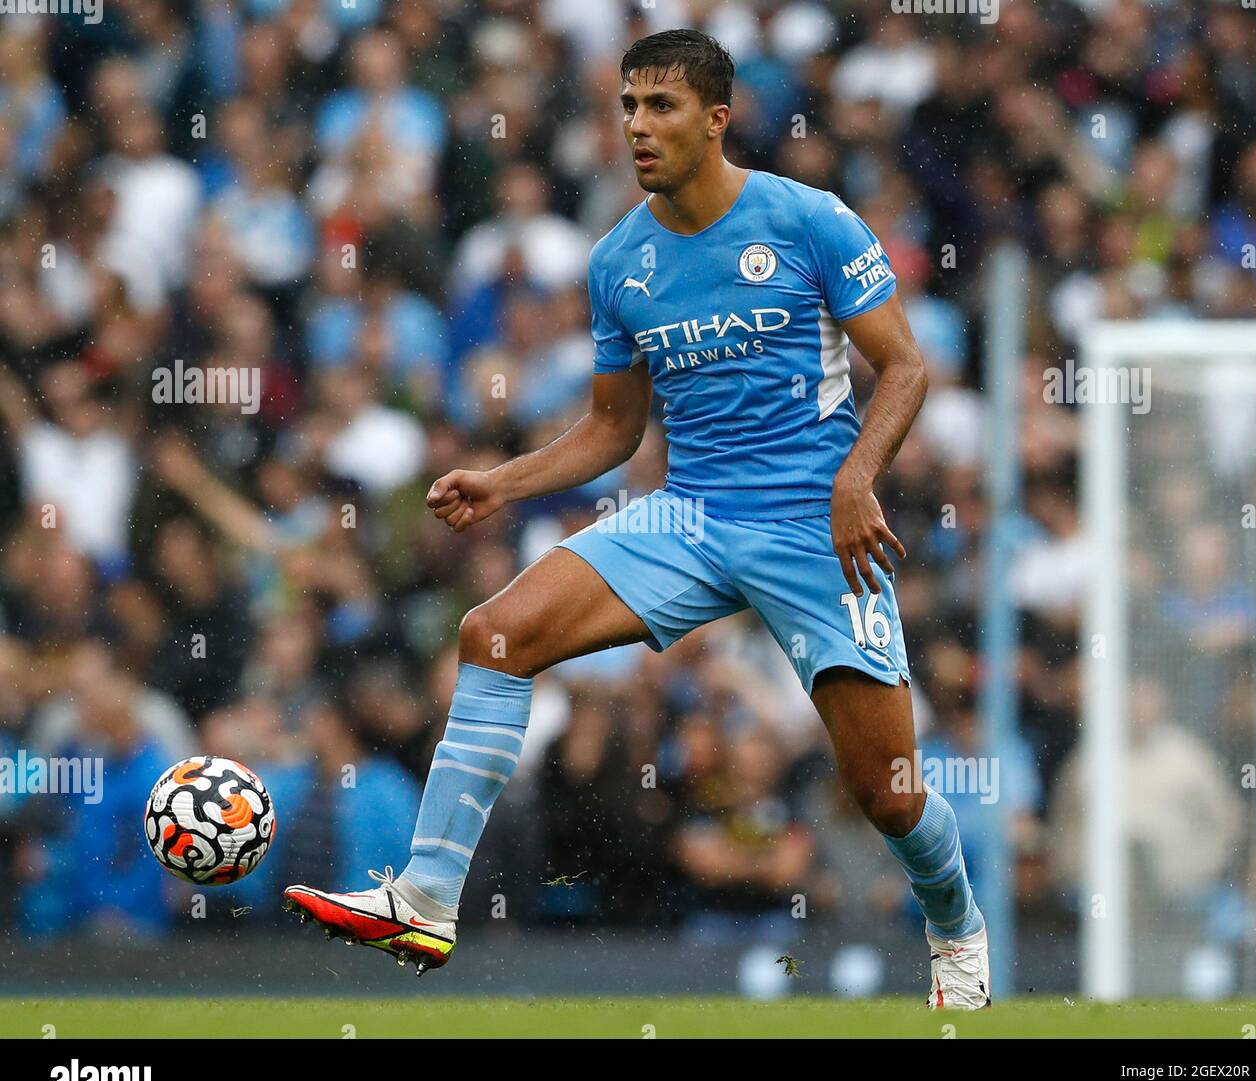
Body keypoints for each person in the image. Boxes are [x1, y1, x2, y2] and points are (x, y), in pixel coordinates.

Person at [284, 29, 989, 1009]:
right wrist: (505, 481)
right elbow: (612, 430)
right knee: (493, 632)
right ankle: (428, 898)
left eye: (659, 106)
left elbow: (907, 366)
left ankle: (954, 920)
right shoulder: (620, 259)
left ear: (715, 117)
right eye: (625, 106)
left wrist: (857, 477)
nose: (637, 126)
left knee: (888, 792)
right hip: (690, 516)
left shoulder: (808, 219)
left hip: (811, 526)